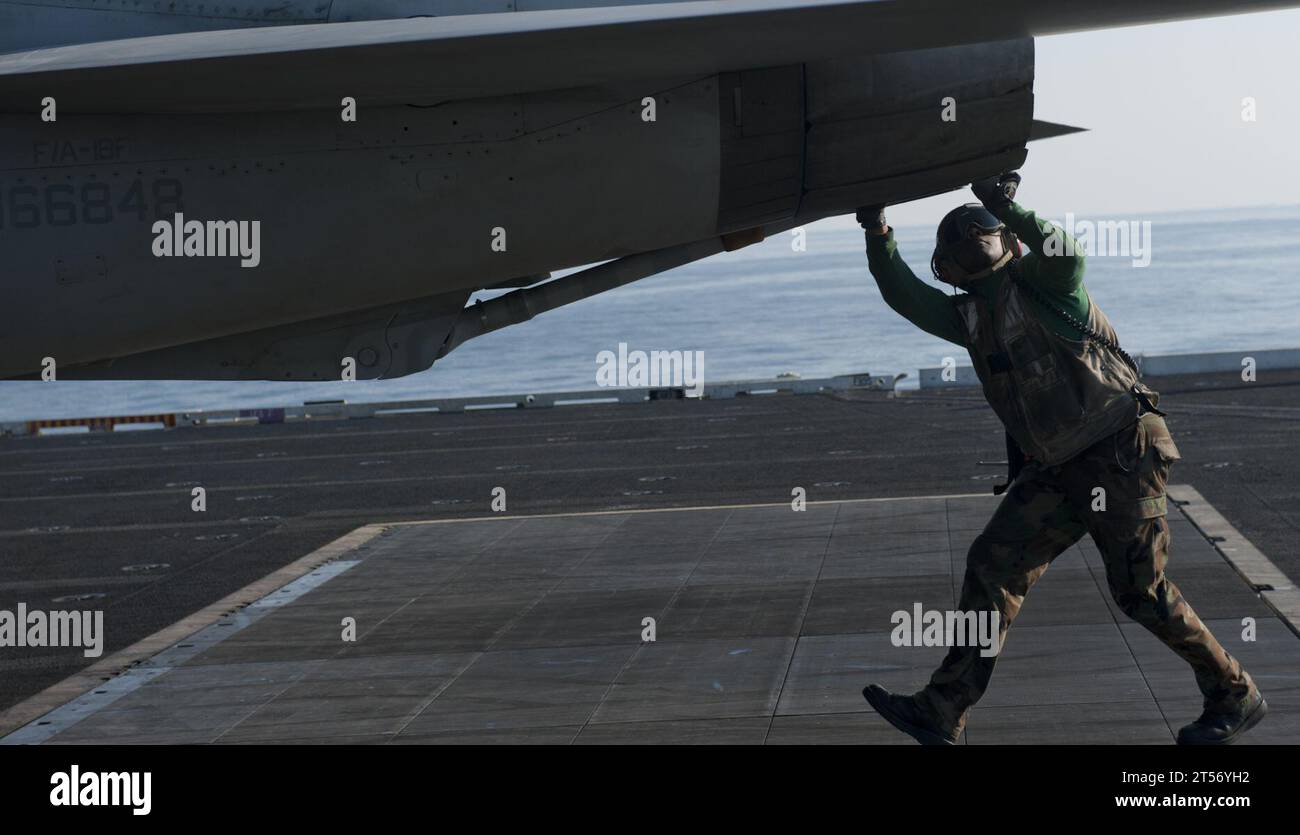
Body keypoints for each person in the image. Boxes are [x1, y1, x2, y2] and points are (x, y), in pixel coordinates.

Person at [856, 172, 1265, 745]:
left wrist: (1007, 205)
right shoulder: (970, 318)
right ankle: (943, 706)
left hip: (1121, 451)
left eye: (980, 232)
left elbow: (1065, 253)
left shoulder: (1046, 284)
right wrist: (877, 229)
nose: (973, 242)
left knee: (1140, 590)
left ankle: (1234, 692)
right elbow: (901, 292)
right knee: (994, 564)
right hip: (1059, 467)